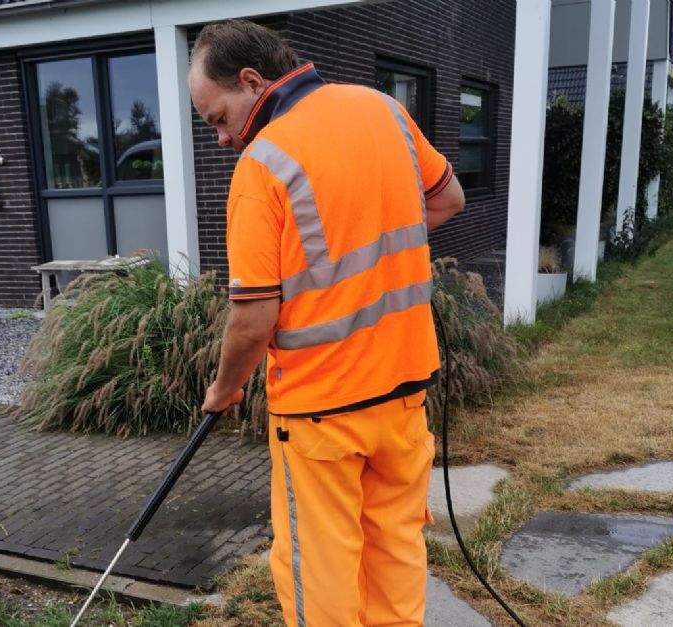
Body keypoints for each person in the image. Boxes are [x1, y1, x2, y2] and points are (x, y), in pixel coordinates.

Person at [192, 20, 465, 627]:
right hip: (403, 393)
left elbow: (254, 313)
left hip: (320, 413)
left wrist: (225, 387)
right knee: (395, 550)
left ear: (251, 81)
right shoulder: (384, 110)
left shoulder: (263, 165)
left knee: (321, 572)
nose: (221, 138)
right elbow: (447, 200)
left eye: (218, 118)